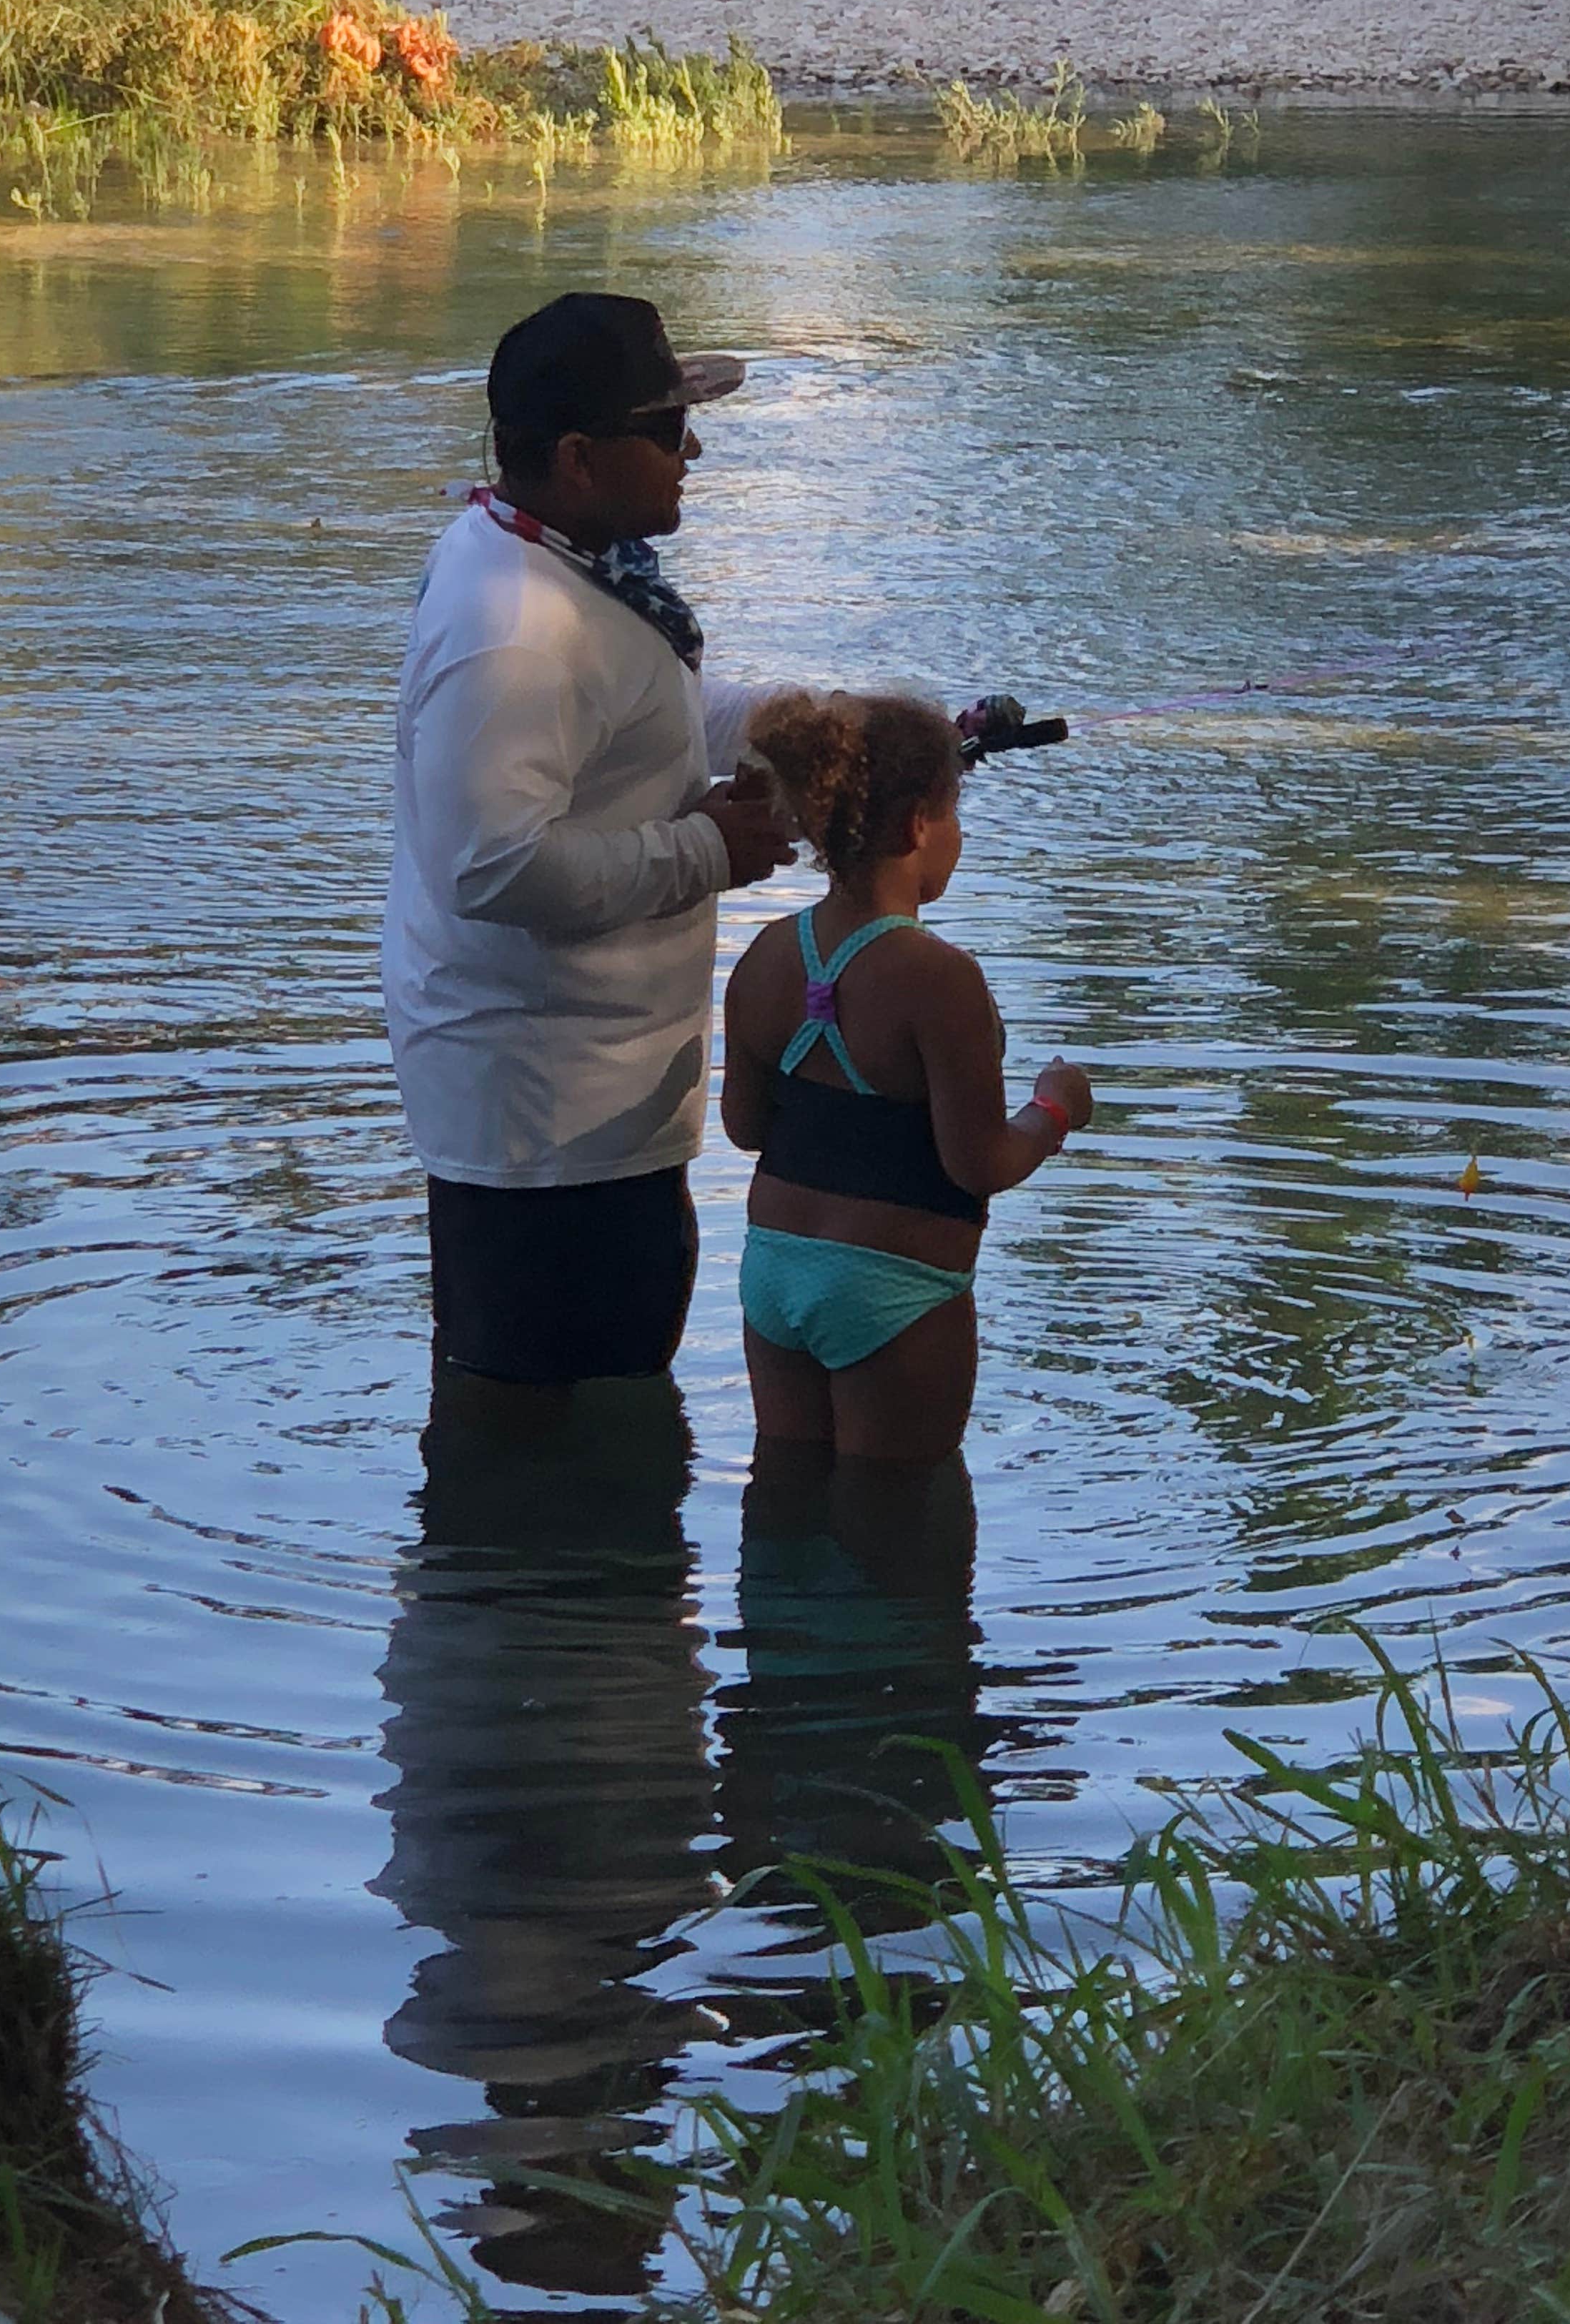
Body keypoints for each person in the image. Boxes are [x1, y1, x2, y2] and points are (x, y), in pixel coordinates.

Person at [382, 290, 792, 1393]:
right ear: (576, 457)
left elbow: (646, 714)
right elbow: (495, 863)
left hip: (588, 1103)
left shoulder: (560, 558)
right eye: (666, 432)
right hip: (544, 1127)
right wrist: (711, 851)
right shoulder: (510, 626)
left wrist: (805, 726)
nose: (692, 451)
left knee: (584, 1418)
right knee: (555, 1434)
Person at [721, 690, 1093, 1460]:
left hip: (775, 1273)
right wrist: (1053, 1113)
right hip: (891, 1289)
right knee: (900, 1523)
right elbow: (978, 1163)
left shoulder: (765, 957)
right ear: (921, 825)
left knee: (785, 1505)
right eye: (953, 814)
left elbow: (745, 1128)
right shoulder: (940, 979)